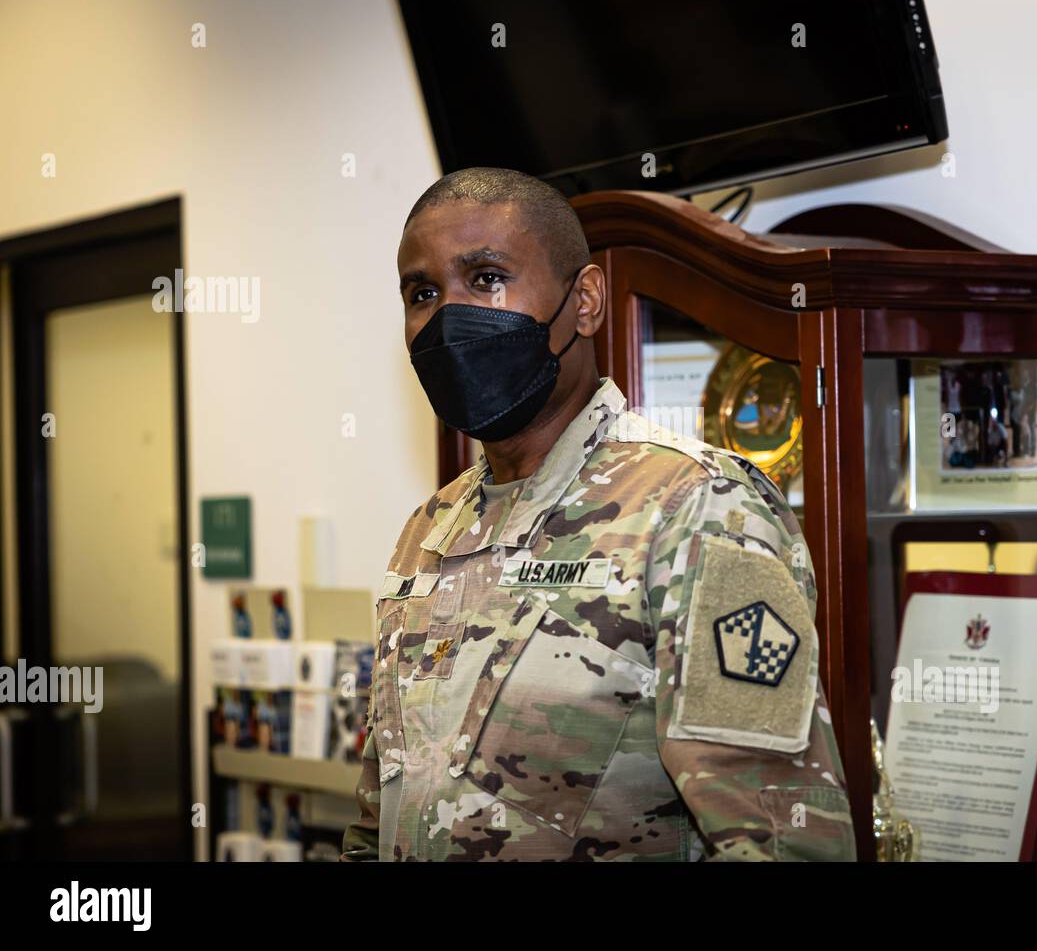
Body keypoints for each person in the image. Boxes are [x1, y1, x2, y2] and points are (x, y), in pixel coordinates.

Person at [340, 167, 855, 861]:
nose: (449, 317)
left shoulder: (697, 506)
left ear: (583, 301)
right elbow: (378, 821)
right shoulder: (430, 531)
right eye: (423, 292)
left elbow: (782, 839)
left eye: (487, 277)